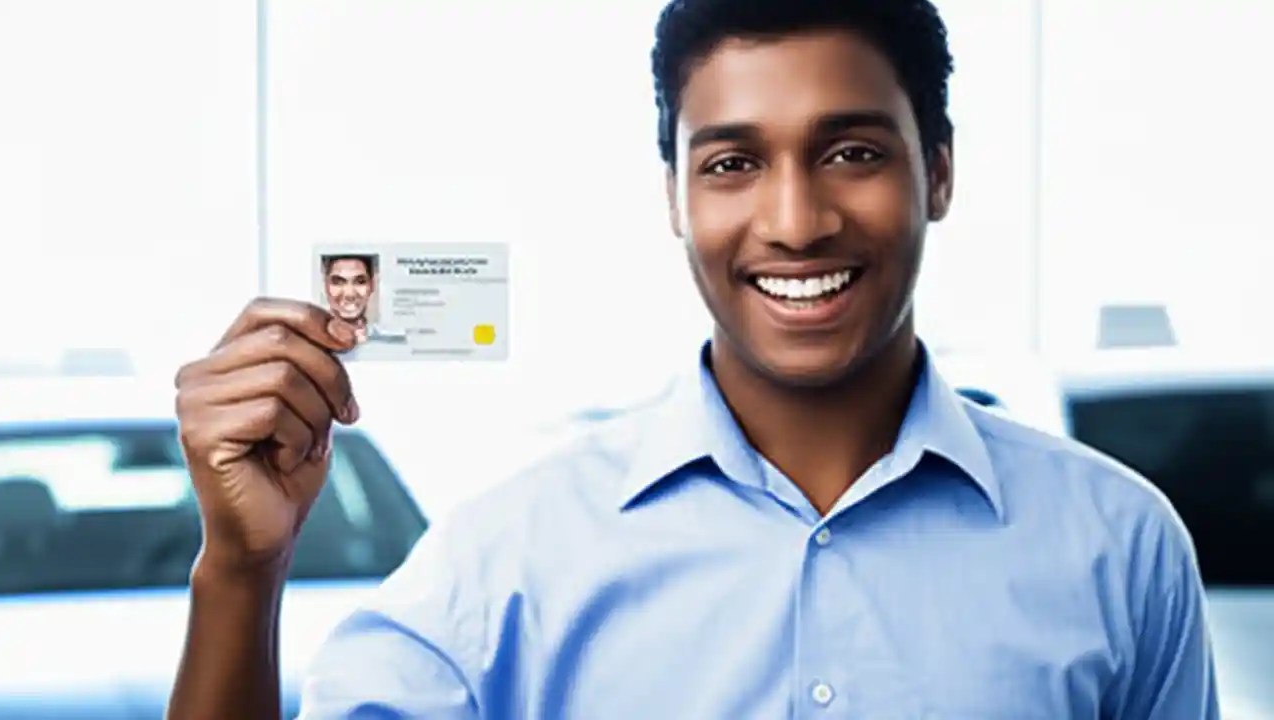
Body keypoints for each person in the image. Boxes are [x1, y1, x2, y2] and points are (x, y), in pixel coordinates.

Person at [168, 1, 1219, 718]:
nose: (795, 221)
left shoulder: (1117, 548)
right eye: (731, 163)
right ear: (672, 195)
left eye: (851, 153)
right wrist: (242, 573)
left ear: (936, 173)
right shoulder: (505, 566)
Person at [320, 253, 405, 347]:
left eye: (360, 282)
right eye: (338, 282)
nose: (350, 294)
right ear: (325, 285)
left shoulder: (395, 339)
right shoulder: (311, 339)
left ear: (372, 285)